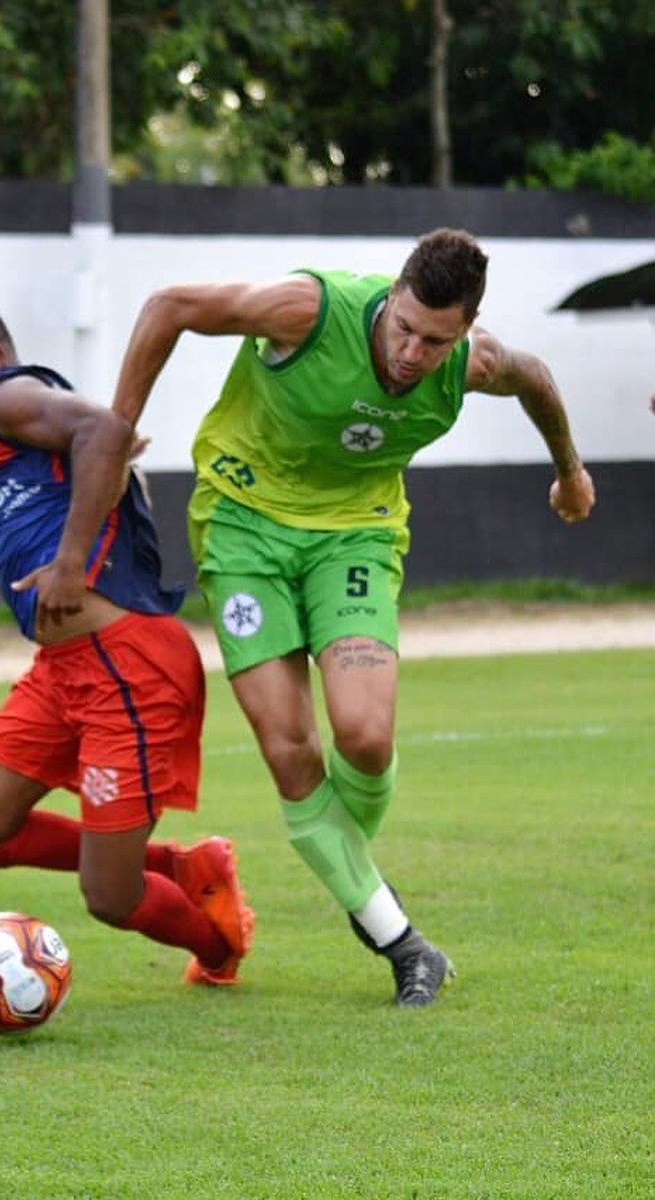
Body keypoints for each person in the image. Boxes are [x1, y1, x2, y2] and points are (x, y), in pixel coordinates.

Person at [111, 228, 596, 1006]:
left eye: (435, 341)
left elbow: (535, 378)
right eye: (403, 328)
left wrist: (569, 472)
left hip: (356, 537)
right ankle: (404, 942)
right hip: (243, 528)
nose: (412, 353)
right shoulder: (309, 310)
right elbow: (170, 306)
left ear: (466, 330)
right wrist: (117, 426)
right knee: (291, 750)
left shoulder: (472, 363)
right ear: (392, 296)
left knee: (365, 740)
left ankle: (346, 858)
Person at [0, 293, 254, 986]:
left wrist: (71, 565)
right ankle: (183, 866)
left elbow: (103, 429)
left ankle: (219, 949)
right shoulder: (7, 429)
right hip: (64, 667)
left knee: (109, 898)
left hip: (128, 668)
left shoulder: (6, 398)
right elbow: (100, 444)